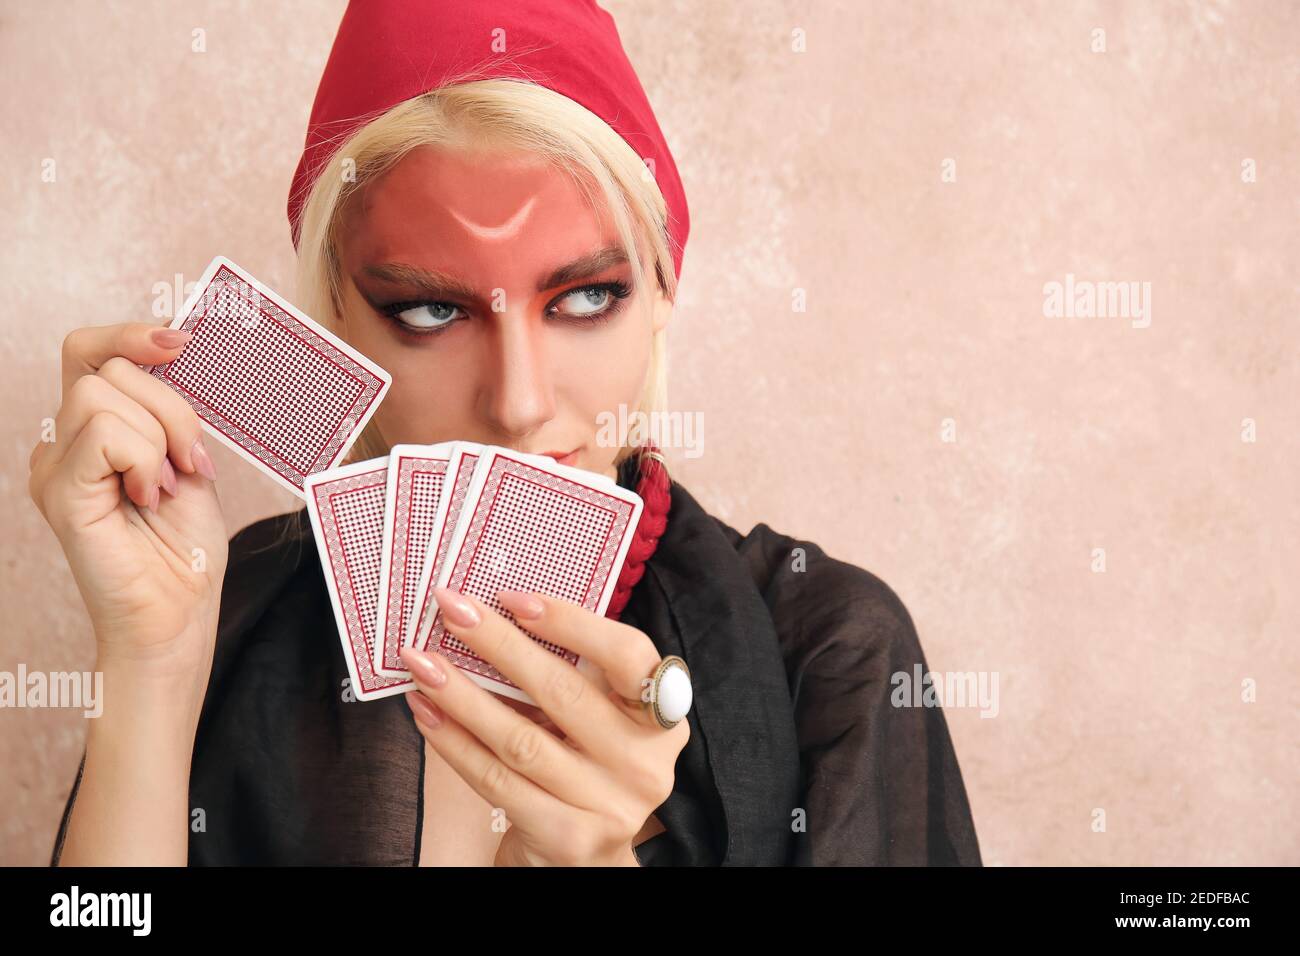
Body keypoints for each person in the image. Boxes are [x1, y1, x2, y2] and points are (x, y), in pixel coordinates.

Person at [33, 0, 981, 866]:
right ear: (329, 326)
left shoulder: (832, 654)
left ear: (661, 291)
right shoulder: (225, 614)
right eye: (431, 314)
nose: (521, 404)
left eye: (586, 297)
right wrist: (150, 674)